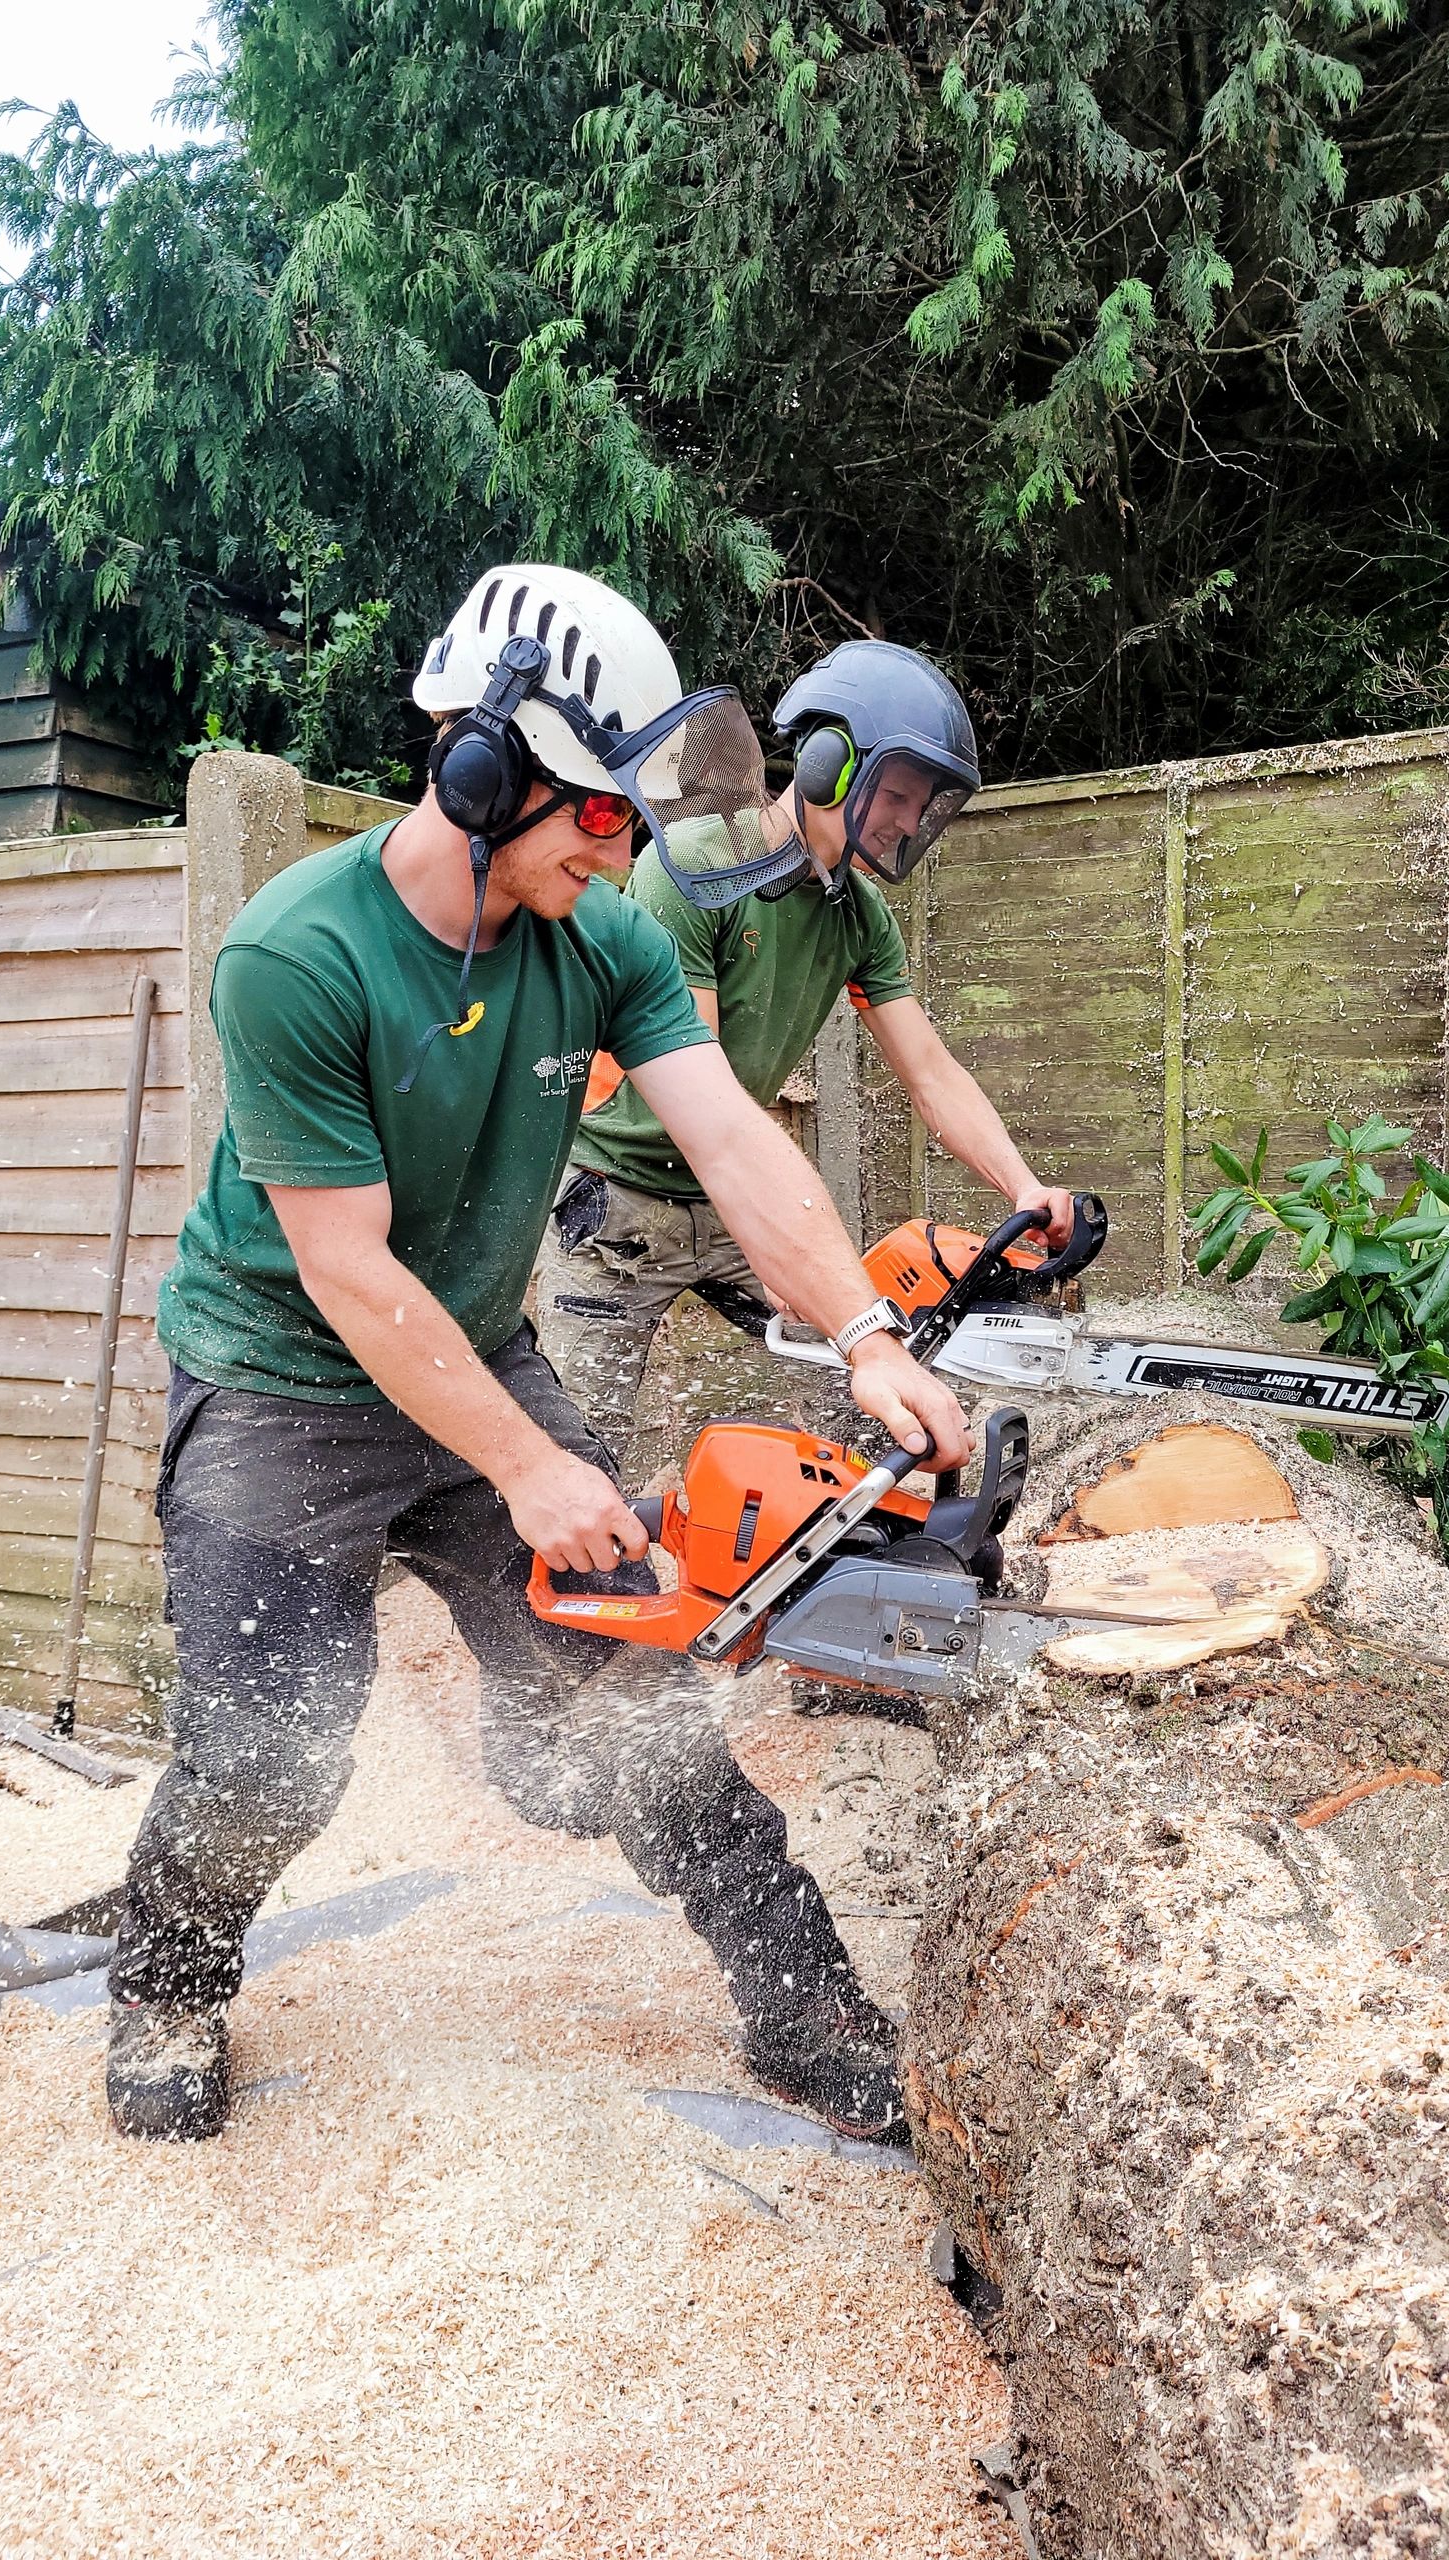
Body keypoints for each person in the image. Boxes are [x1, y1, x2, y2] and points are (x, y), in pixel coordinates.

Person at [108, 567, 970, 2147]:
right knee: (266, 1753)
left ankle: (801, 2001)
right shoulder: (295, 955)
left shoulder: (604, 939)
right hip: (279, 1387)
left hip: (480, 1353)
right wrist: (531, 1464)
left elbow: (731, 1142)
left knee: (640, 1697)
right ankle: (167, 1983)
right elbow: (350, 1275)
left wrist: (863, 1336)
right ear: (479, 769)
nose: (620, 846)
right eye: (591, 813)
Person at [536, 638, 1077, 1461]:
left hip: (728, 1196)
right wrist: (781, 1249)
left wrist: (1022, 1187)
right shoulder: (696, 866)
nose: (904, 819)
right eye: (895, 794)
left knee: (864, 1387)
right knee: (582, 1449)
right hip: (618, 1206)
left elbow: (930, 1071)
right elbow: (704, 1100)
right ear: (827, 763)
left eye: (920, 803)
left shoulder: (858, 914)